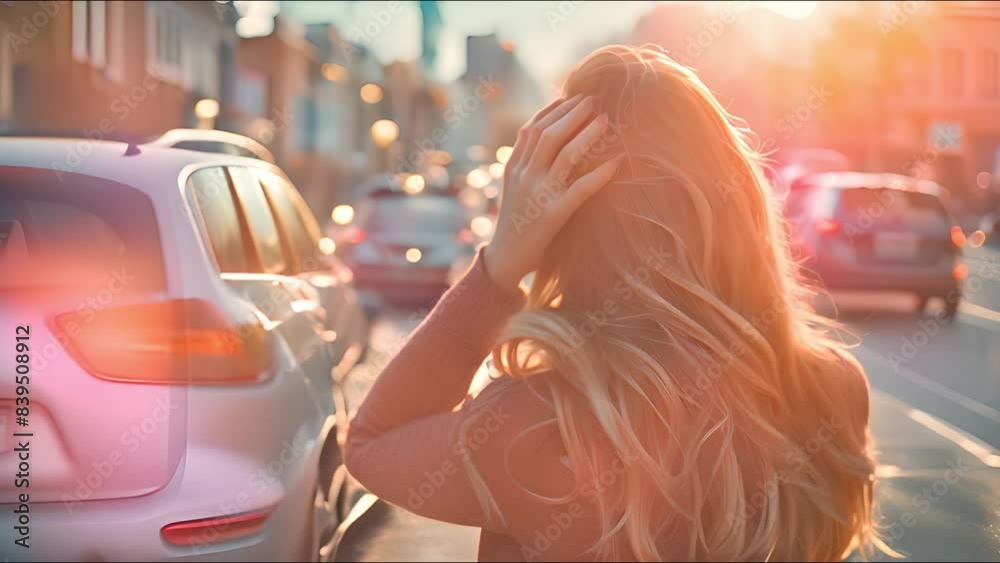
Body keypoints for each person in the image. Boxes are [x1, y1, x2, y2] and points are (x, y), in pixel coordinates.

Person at [346, 45, 892, 562]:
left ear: (565, 236)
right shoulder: (833, 391)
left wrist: (501, 263)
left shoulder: (535, 429)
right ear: (743, 207)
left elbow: (373, 442)